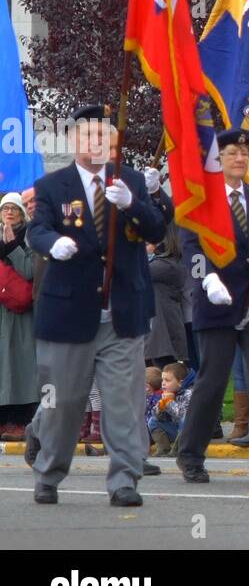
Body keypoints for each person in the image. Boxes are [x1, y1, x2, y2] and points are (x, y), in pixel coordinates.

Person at [27, 104, 168, 506]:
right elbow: (38, 228)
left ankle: (125, 479)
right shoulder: (54, 185)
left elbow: (158, 227)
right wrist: (52, 244)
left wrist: (133, 205)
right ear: (74, 140)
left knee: (122, 402)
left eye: (105, 136)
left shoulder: (132, 181)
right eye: (90, 135)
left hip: (122, 312)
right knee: (63, 403)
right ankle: (49, 471)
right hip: (68, 314)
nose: (98, 142)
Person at [177, 128, 249, 486]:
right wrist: (207, 278)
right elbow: (191, 250)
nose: (240, 158)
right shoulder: (200, 205)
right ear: (217, 160)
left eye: (244, 152)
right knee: (212, 381)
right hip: (218, 303)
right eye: (231, 153)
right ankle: (191, 454)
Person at [0, 192, 38, 441]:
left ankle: (21, 419)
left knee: (20, 367)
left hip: (23, 313)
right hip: (3, 310)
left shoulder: (31, 236)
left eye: (15, 208)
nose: (10, 213)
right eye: (5, 209)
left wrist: (13, 246)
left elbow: (30, 270)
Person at [144, 225, 188, 367]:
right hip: (159, 337)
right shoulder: (168, 263)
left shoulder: (166, 265)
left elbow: (138, 272)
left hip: (163, 339)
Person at [153, 362, 194, 457]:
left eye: (167, 380)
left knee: (186, 419)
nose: (163, 383)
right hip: (177, 430)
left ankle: (177, 450)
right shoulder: (168, 393)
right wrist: (161, 406)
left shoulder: (190, 393)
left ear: (180, 383)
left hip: (192, 434)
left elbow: (183, 416)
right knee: (153, 421)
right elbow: (157, 416)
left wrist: (169, 402)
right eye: (162, 379)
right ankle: (163, 448)